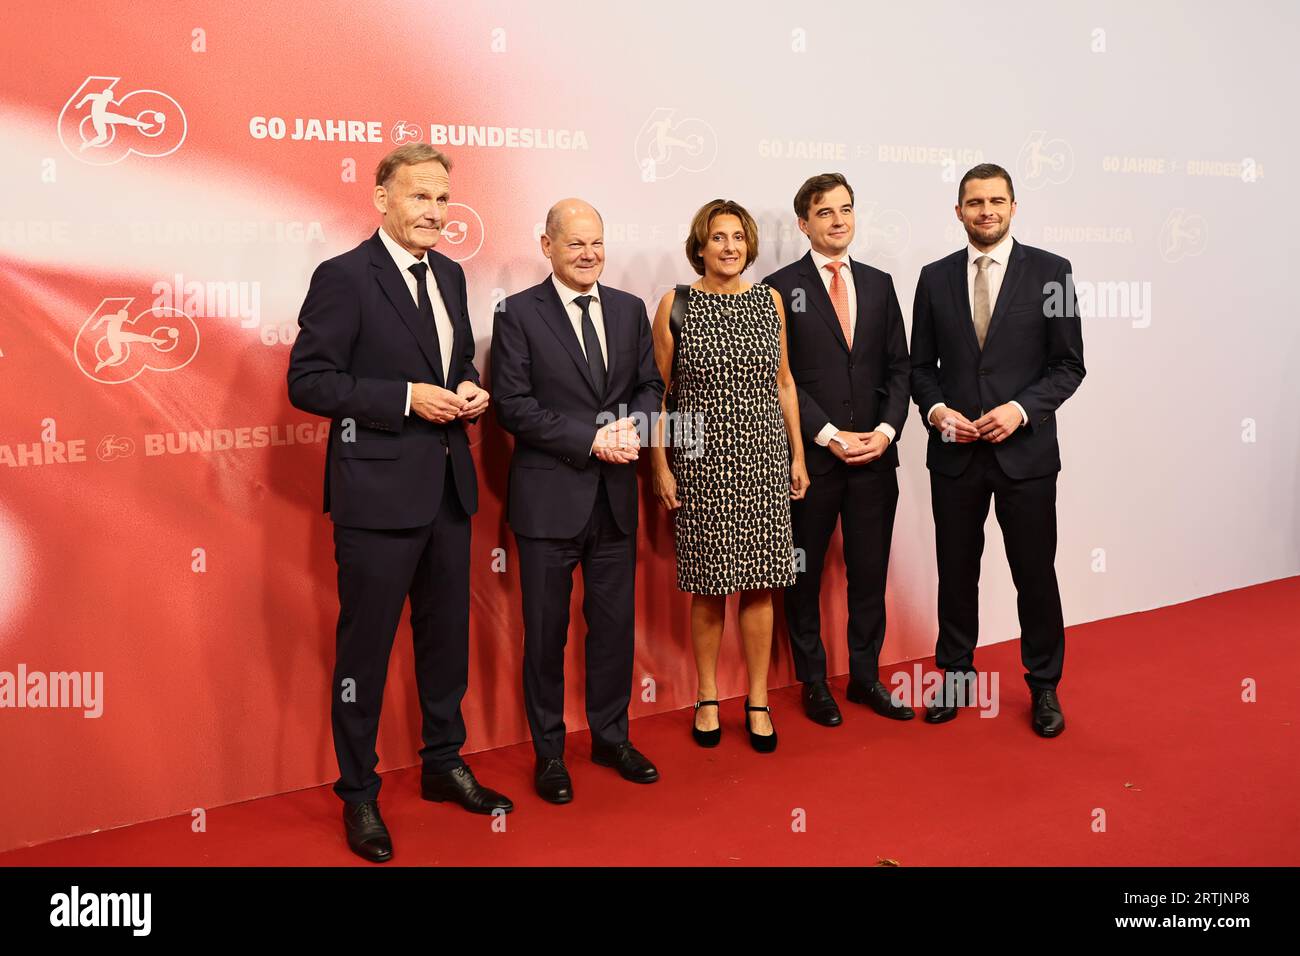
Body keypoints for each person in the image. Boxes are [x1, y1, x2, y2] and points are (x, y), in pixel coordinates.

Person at [287, 143, 512, 863]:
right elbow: (309, 381)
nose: (435, 212)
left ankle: (444, 761)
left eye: (443, 198)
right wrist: (407, 398)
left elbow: (456, 361)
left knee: (446, 641)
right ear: (381, 198)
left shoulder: (450, 274)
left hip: (447, 489)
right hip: (377, 496)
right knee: (367, 651)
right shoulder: (344, 276)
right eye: (420, 196)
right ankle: (358, 792)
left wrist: (468, 386)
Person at [492, 199, 665, 804]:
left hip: (615, 500)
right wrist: (591, 440)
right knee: (546, 634)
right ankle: (548, 753)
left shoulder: (629, 308)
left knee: (614, 630)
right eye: (575, 244)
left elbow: (651, 386)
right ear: (547, 246)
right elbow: (512, 405)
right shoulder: (517, 313)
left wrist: (633, 427)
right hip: (548, 503)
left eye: (597, 243)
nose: (589, 254)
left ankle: (611, 738)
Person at [909, 163, 1085, 737]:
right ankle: (957, 676)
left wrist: (1020, 410)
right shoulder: (933, 278)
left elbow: (1068, 366)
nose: (986, 211)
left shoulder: (1053, 272)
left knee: (1034, 574)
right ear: (958, 211)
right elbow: (919, 368)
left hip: (1026, 456)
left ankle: (1044, 686)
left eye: (996, 201)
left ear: (1013, 207)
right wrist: (937, 412)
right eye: (975, 202)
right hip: (955, 455)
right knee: (956, 573)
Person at [650, 199, 809, 753]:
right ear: (700, 246)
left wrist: (797, 456)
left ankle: (758, 699)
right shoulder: (676, 303)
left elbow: (784, 381)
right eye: (718, 237)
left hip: (764, 458)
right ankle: (708, 696)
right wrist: (660, 464)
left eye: (738, 237)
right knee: (709, 587)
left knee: (761, 585)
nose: (730, 247)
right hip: (702, 463)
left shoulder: (769, 301)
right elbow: (659, 393)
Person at [763, 173, 912, 727]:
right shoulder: (777, 288)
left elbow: (900, 367)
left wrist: (886, 430)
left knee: (869, 574)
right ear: (803, 224)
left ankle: (866, 677)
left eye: (846, 209)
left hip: (875, 457)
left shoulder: (880, 283)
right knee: (801, 575)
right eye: (825, 212)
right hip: (813, 461)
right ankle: (814, 682)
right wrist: (827, 434)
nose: (839, 220)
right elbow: (778, 376)